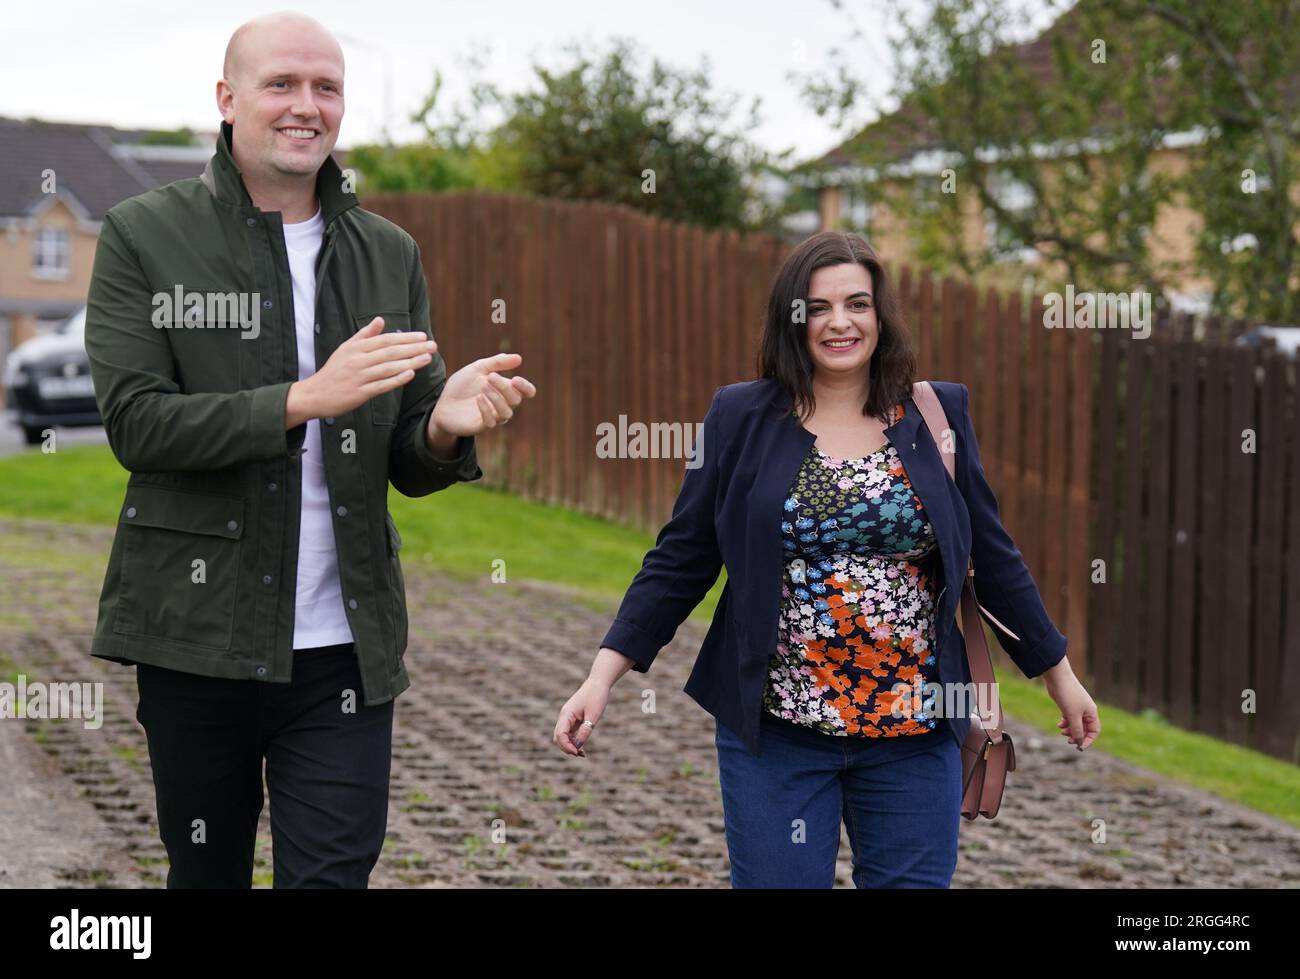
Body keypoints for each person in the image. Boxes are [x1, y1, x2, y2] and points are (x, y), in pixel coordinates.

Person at [85, 11, 535, 888]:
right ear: (227, 99)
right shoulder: (145, 234)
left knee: (332, 877)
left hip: (343, 649)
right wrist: (301, 400)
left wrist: (445, 421)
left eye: (326, 87)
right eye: (281, 84)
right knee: (206, 873)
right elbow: (139, 424)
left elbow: (406, 451)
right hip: (196, 640)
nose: (306, 106)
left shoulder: (388, 252)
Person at [553, 231, 1099, 888]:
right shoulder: (741, 416)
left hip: (916, 731)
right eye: (818, 307)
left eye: (857, 303)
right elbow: (683, 557)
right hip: (777, 734)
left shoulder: (936, 413)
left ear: (879, 314)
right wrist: (602, 676)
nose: (839, 322)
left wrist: (1058, 674)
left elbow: (993, 555)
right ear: (793, 319)